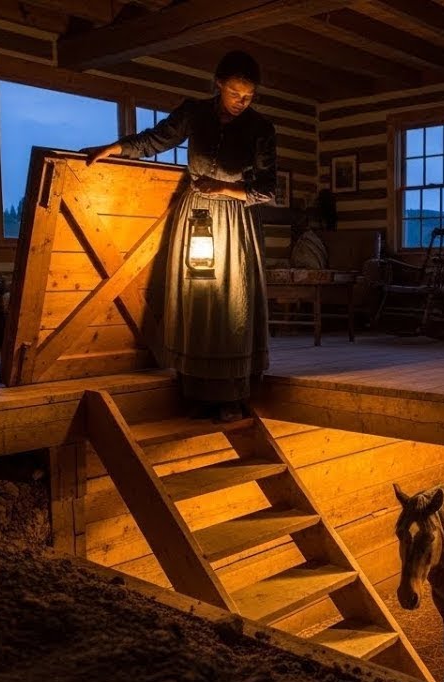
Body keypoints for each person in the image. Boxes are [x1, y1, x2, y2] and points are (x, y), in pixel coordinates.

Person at [83, 51, 276, 422]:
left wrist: (224, 187)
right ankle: (196, 388)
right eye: (236, 93)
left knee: (230, 301)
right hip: (196, 216)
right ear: (218, 85)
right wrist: (113, 148)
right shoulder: (195, 113)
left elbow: (267, 188)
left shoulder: (260, 129)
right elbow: (154, 140)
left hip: (234, 221)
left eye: (249, 96)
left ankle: (232, 392)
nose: (242, 102)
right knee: (197, 297)